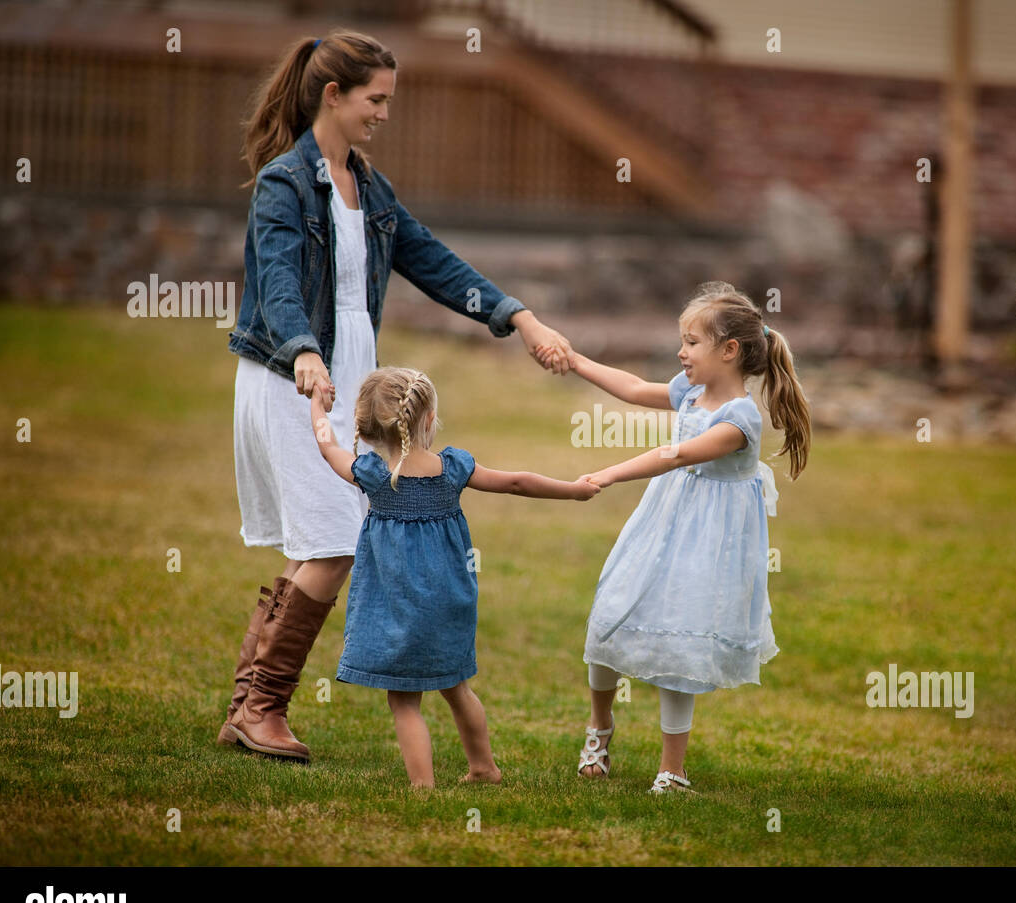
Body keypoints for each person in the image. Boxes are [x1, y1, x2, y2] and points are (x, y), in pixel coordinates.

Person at [220, 30, 573, 762]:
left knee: (323, 542)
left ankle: (247, 708)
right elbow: (278, 283)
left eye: (389, 99)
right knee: (334, 540)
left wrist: (516, 314)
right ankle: (262, 708)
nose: (385, 112)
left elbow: (433, 260)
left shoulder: (370, 188)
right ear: (333, 96)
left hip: (347, 372)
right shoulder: (287, 184)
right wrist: (305, 354)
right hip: (295, 376)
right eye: (375, 99)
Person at [553, 281, 811, 794]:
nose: (681, 351)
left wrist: (604, 474)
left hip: (710, 541)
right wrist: (576, 360)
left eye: (691, 342)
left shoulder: (740, 419)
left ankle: (672, 769)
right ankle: (599, 730)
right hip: (661, 522)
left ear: (728, 351)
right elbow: (631, 388)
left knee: (680, 644)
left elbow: (675, 455)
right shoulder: (690, 389)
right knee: (609, 616)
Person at [309, 367, 599, 786]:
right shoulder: (453, 468)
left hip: (397, 606)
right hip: (449, 602)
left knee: (405, 701)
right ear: (427, 420)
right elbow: (516, 482)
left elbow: (325, 444)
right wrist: (572, 489)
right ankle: (483, 767)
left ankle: (423, 787)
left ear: (370, 428)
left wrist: (317, 403)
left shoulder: (370, 473)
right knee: (457, 688)